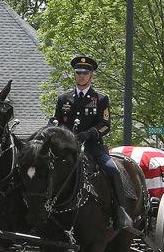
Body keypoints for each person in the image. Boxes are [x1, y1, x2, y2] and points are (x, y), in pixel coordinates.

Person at [50, 55, 133, 231]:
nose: (81, 75)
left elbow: (105, 125)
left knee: (113, 170)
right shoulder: (63, 98)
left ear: (91, 75)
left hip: (92, 147)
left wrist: (88, 134)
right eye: (78, 72)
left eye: (85, 72)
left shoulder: (100, 98)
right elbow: (57, 120)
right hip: (67, 148)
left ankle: (120, 211)